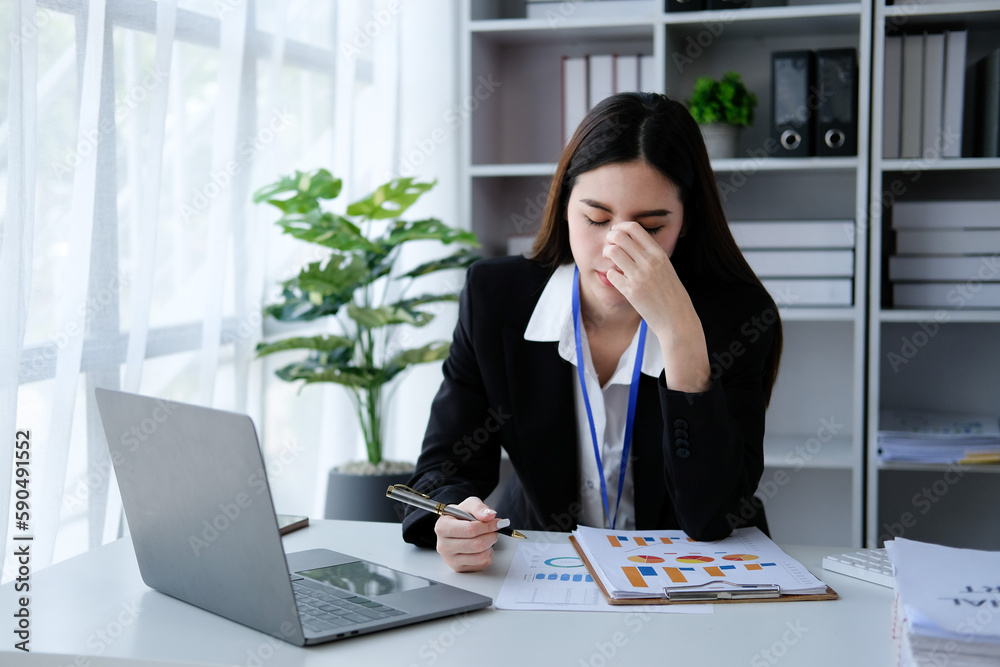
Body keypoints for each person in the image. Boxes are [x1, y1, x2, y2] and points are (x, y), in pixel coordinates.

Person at [401, 92, 783, 573]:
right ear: (563, 205)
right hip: (546, 569)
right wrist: (453, 518)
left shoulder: (739, 317)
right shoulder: (496, 298)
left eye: (649, 227)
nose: (615, 250)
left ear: (685, 223)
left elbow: (712, 516)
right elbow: (439, 473)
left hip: (692, 584)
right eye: (596, 219)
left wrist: (681, 335)